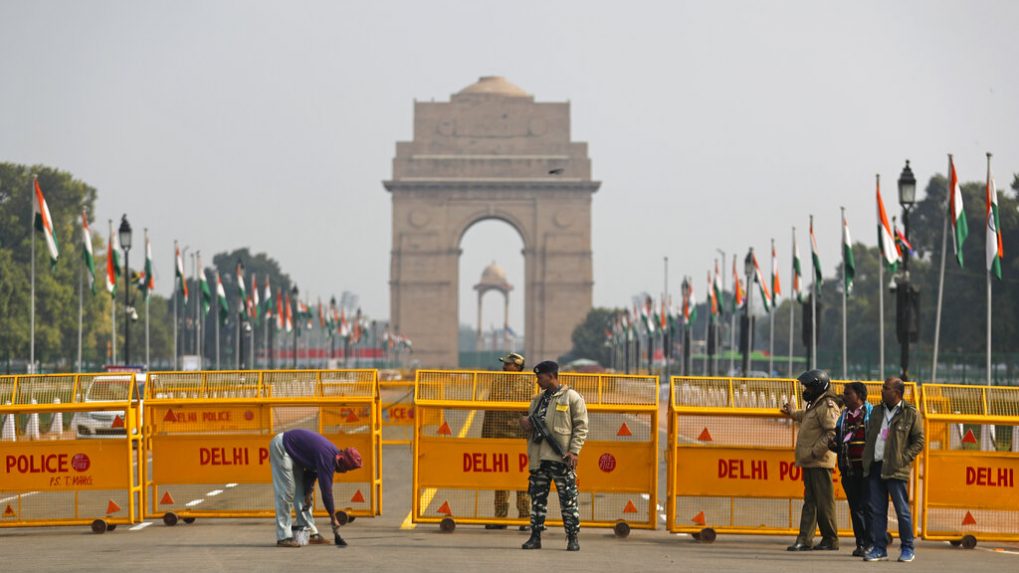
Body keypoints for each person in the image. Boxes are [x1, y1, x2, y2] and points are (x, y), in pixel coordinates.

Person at [518, 360, 588, 551]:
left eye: (540, 378)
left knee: (568, 500)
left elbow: (581, 427)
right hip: (539, 458)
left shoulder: (571, 397)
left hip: (560, 458)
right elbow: (530, 425)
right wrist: (525, 423)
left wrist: (574, 451)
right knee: (537, 499)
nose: (538, 381)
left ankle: (572, 537)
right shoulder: (537, 400)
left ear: (551, 376)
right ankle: (535, 536)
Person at [861, 377, 924, 563]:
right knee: (878, 511)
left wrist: (902, 459)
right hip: (876, 466)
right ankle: (880, 548)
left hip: (895, 468)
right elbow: (871, 436)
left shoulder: (910, 413)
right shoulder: (877, 411)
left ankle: (907, 547)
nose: (882, 390)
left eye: (886, 388)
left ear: (896, 392)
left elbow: (919, 441)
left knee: (902, 510)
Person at [780, 369, 841, 552]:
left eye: (808, 386)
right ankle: (806, 539)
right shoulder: (816, 404)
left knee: (823, 501)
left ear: (817, 386)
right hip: (811, 460)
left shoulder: (828, 406)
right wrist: (792, 413)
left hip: (819, 461)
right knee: (812, 501)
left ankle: (829, 539)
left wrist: (815, 452)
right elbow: (807, 419)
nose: (805, 390)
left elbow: (832, 432)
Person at [269, 428, 362, 547]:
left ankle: (310, 533)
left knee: (302, 494)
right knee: (286, 492)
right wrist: (333, 516)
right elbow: (326, 491)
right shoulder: (328, 458)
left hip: (294, 451)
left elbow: (311, 472)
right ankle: (283, 537)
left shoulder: (332, 455)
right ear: (341, 461)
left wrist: (307, 493)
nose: (344, 472)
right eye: (345, 469)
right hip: (282, 446)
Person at [481, 352, 532, 531]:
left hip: (521, 440)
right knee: (500, 479)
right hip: (499, 438)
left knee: (522, 480)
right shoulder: (497, 382)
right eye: (504, 364)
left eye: (508, 364)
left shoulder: (529, 386)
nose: (504, 367)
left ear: (517, 367)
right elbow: (489, 411)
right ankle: (500, 517)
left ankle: (525, 517)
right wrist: (485, 437)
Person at [834, 381, 873, 557]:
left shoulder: (872, 414)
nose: (844, 396)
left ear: (859, 395)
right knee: (855, 508)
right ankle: (861, 543)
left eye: (848, 393)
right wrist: (833, 444)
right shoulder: (842, 418)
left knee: (868, 507)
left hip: (868, 471)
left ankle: (871, 543)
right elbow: (840, 442)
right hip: (849, 471)